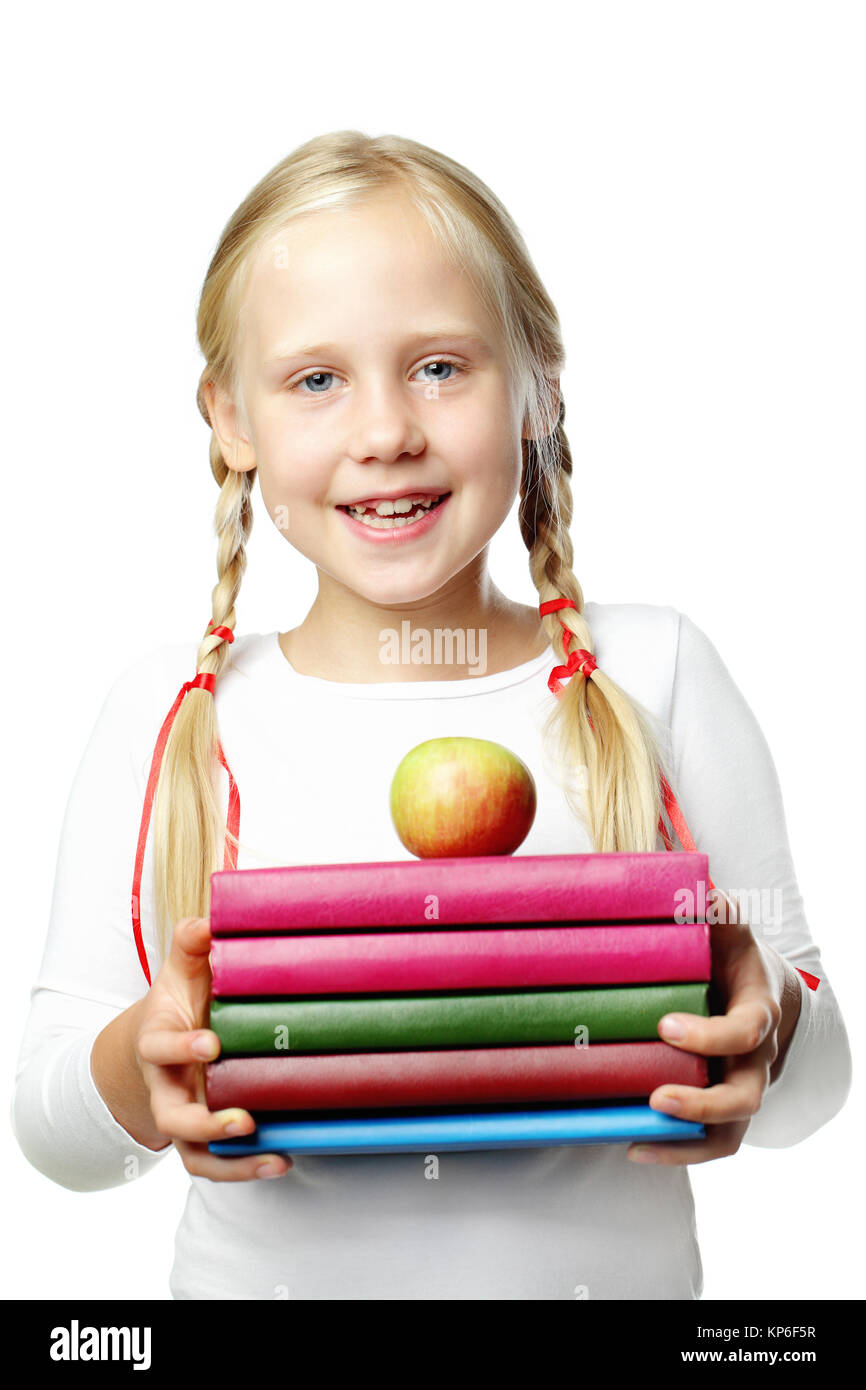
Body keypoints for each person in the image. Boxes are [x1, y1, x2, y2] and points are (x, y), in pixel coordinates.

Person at [11, 130, 851, 1300]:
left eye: (440, 367)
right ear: (230, 418)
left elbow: (814, 1090)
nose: (385, 430)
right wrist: (136, 1064)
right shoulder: (174, 712)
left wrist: (764, 1027)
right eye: (316, 379)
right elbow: (50, 1131)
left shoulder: (650, 670)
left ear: (538, 386)